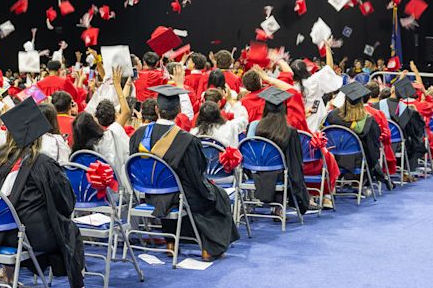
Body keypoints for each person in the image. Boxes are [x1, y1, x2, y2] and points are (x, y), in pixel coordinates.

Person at [0, 97, 90, 288]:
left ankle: (9, 284)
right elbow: (65, 203)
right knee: (68, 228)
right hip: (31, 237)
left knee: (12, 218)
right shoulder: (43, 162)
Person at [131, 86, 239, 260]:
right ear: (179, 111)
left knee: (169, 189)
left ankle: (171, 243)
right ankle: (208, 248)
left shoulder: (139, 134)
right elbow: (197, 175)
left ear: (157, 110)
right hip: (180, 195)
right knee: (217, 197)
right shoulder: (187, 140)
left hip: (149, 194)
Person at [244, 87, 311, 215]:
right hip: (280, 175)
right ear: (284, 108)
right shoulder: (289, 131)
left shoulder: (254, 127)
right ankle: (278, 205)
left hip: (255, 174)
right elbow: (295, 161)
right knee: (284, 167)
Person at [325, 81, 393, 189]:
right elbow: (374, 146)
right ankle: (360, 180)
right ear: (361, 100)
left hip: (334, 156)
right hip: (357, 159)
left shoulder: (332, 115)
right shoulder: (368, 120)